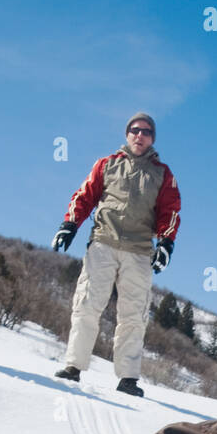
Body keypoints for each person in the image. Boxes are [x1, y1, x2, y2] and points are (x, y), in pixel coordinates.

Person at [53, 113, 181, 397]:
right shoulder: (107, 164)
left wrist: (165, 243)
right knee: (87, 304)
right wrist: (70, 224)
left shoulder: (162, 173)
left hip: (138, 251)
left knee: (133, 315)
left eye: (146, 132)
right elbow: (85, 195)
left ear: (152, 139)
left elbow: (169, 211)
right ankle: (73, 366)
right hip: (103, 242)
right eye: (135, 130)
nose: (140, 135)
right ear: (127, 134)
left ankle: (127, 378)